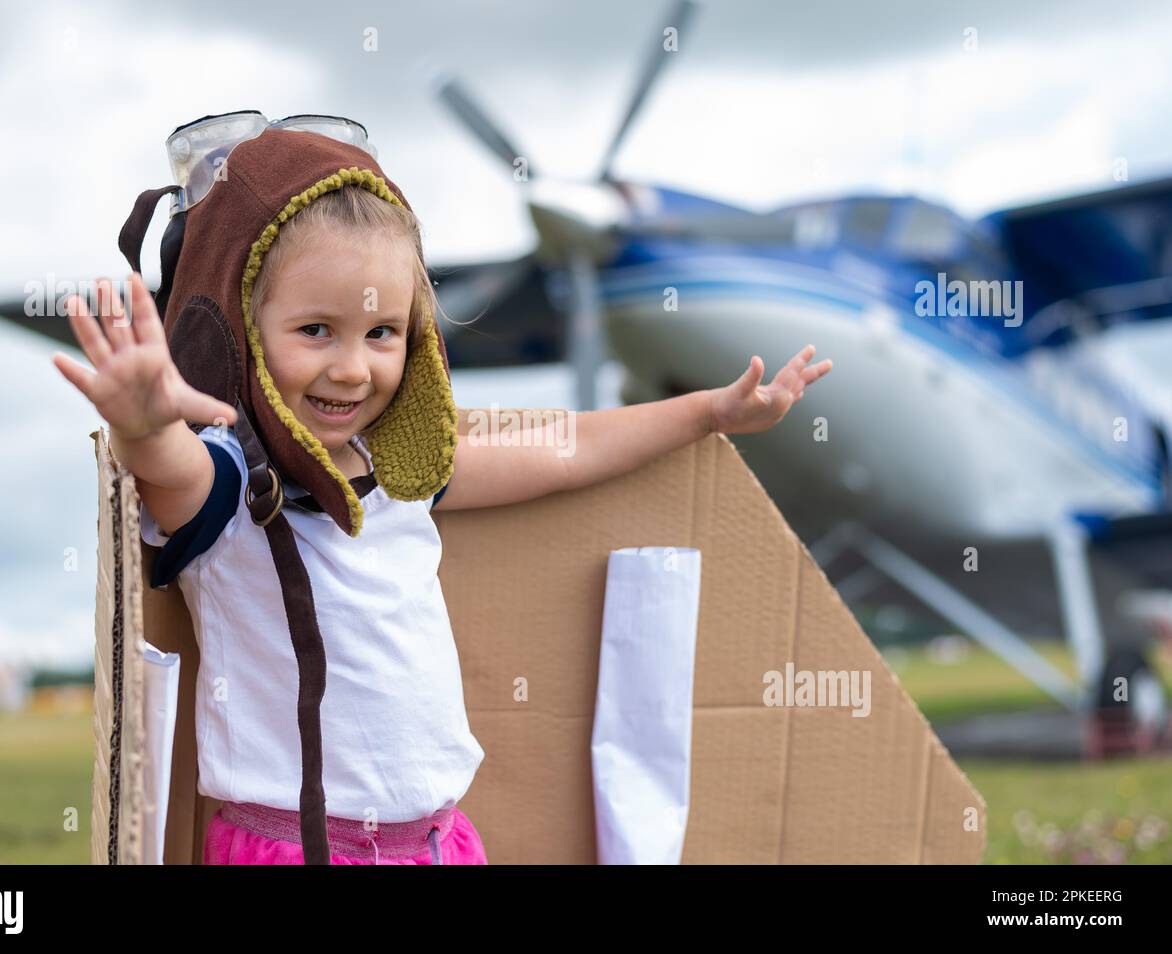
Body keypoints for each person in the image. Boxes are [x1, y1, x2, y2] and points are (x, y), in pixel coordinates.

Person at [51, 129, 832, 865]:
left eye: (381, 332)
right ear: (246, 330)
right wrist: (143, 421)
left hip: (438, 841)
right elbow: (170, 470)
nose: (353, 368)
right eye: (316, 330)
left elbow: (565, 452)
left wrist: (708, 411)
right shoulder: (234, 486)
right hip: (297, 848)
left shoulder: (402, 470)